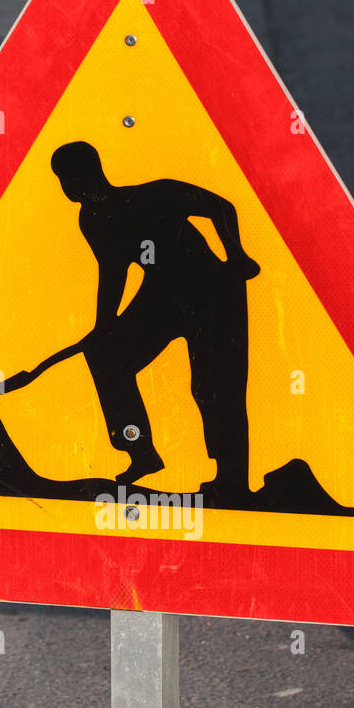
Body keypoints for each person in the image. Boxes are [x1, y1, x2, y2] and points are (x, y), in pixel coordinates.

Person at [48, 141, 260, 492]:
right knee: (107, 356)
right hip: (161, 293)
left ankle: (232, 478)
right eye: (62, 179)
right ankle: (140, 450)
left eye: (69, 177)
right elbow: (113, 271)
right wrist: (104, 325)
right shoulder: (92, 218)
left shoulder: (158, 194)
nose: (67, 186)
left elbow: (221, 207)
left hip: (212, 289)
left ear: (88, 173)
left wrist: (235, 255)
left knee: (215, 386)